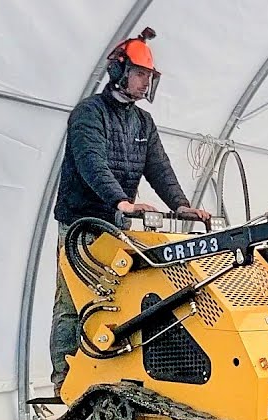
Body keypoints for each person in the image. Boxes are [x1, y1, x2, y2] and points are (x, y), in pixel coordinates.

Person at [50, 27, 210, 394]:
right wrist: (120, 200)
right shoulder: (88, 114)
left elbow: (159, 169)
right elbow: (92, 163)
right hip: (82, 225)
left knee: (119, 300)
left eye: (148, 77)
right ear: (120, 72)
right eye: (140, 74)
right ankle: (64, 377)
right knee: (73, 300)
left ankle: (106, 373)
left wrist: (181, 206)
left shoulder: (142, 123)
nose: (145, 82)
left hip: (118, 224)